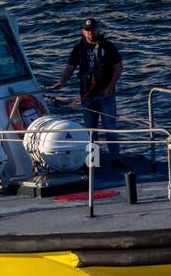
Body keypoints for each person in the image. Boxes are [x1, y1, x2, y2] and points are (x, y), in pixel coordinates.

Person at [52, 18, 124, 166]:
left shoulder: (108, 46)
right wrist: (62, 82)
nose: (91, 33)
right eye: (88, 30)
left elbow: (118, 66)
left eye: (93, 30)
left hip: (106, 95)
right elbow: (70, 68)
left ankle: (115, 157)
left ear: (98, 29)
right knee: (91, 130)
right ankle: (94, 160)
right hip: (87, 96)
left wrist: (111, 86)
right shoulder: (78, 49)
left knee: (110, 127)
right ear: (83, 31)